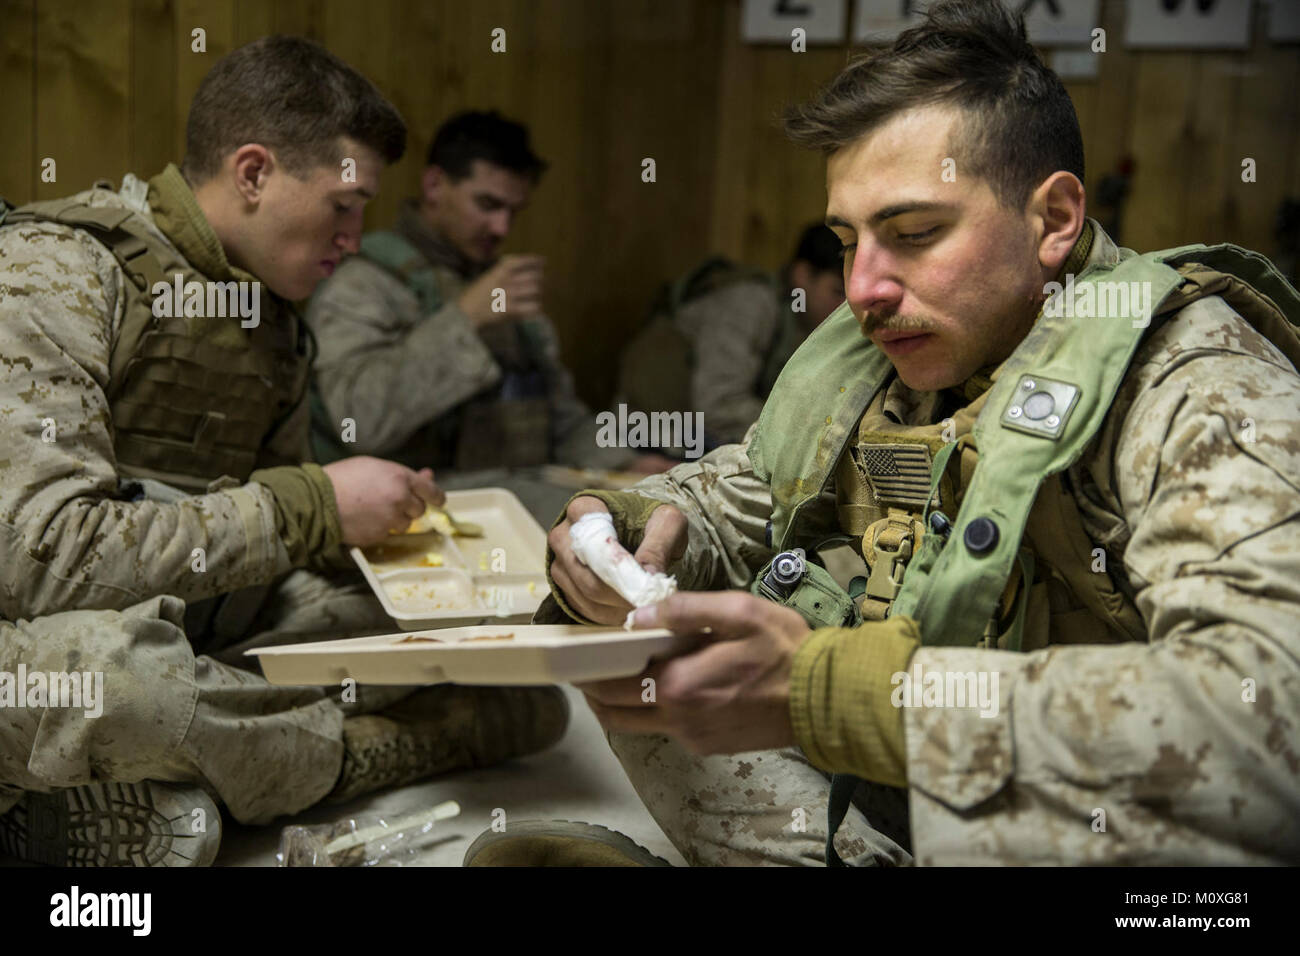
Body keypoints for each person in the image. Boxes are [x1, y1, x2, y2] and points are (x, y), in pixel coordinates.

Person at [465, 0, 1300, 866]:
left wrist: (832, 693)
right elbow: (742, 491)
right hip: (898, 803)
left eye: (913, 234)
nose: (862, 286)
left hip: (1075, 826)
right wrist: (624, 532)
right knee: (643, 652)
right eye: (846, 240)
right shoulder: (889, 351)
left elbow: (1271, 713)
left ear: (1052, 221)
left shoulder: (1195, 382)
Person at [0, 37, 566, 868]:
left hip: (196, 623)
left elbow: (257, 558)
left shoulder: (269, 319)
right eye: (343, 206)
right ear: (254, 172)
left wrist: (379, 533)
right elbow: (37, 559)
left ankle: (159, 779)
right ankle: (385, 748)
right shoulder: (55, 270)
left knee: (428, 625)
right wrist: (310, 505)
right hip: (39, 636)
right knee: (121, 682)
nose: (354, 237)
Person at [308, 110, 662, 474]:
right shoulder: (365, 282)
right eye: (488, 204)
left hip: (512, 501)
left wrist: (628, 462)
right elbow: (359, 422)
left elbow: (561, 420)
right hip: (409, 512)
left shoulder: (502, 282)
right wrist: (466, 320)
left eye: (514, 211)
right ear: (434, 185)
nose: (501, 228)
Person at [616, 224, 844, 452]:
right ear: (802, 275)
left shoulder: (803, 323)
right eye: (837, 292)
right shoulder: (750, 303)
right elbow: (719, 405)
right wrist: (804, 431)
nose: (845, 307)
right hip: (644, 441)